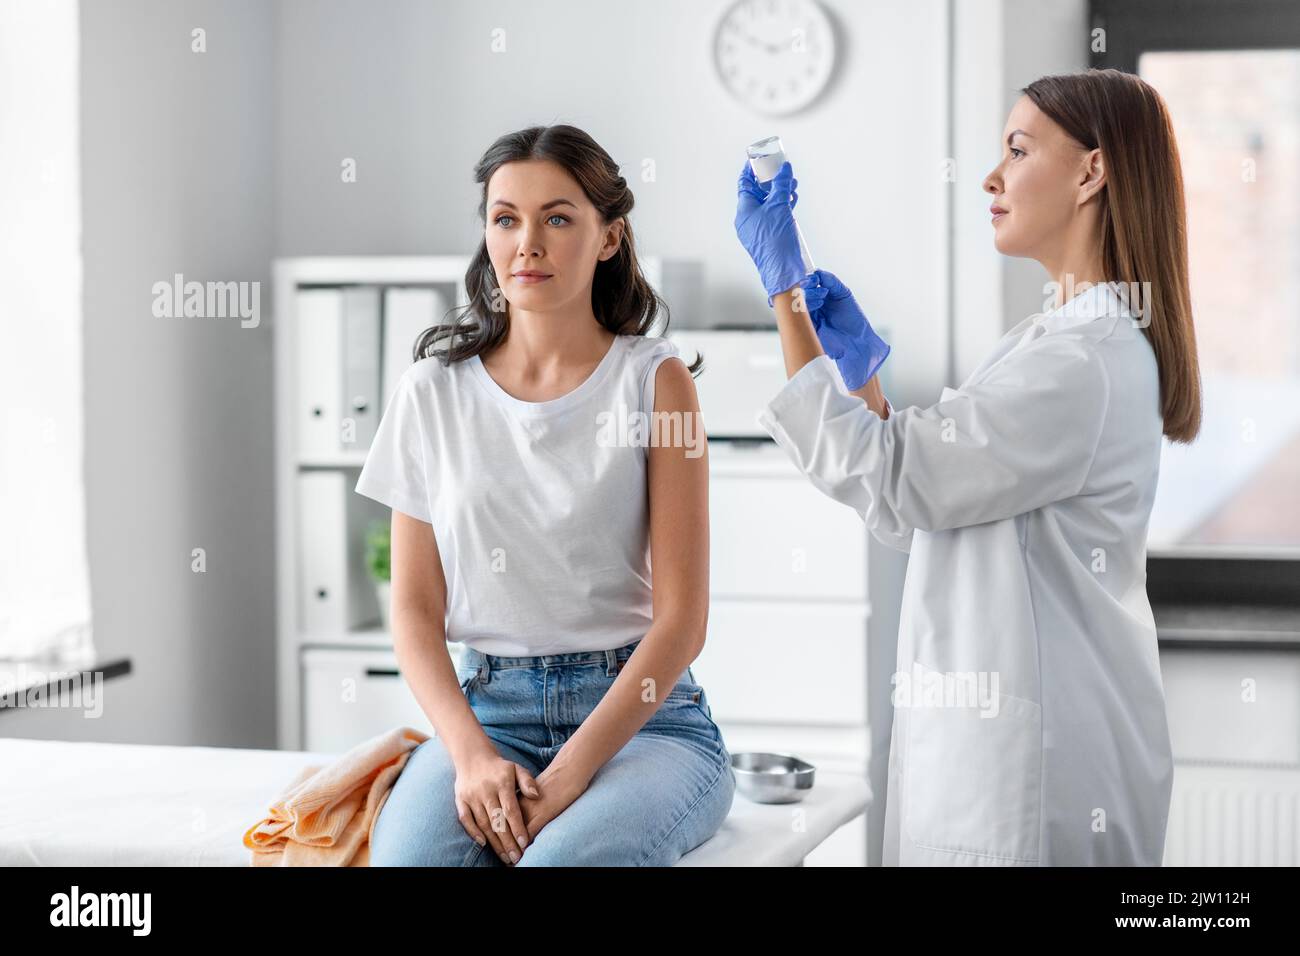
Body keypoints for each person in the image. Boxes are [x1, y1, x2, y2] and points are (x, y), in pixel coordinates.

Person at [733, 68, 1202, 865]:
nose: (991, 177)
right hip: (1012, 743)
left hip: (1041, 776)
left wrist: (787, 297)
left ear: (1092, 172)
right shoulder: (1053, 340)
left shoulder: (1081, 359)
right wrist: (863, 381)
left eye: (1018, 151)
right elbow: (925, 506)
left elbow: (897, 478)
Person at [356, 124, 733, 866]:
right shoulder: (431, 392)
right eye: (506, 218)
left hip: (644, 721)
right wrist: (469, 756)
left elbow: (683, 620)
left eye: (557, 218)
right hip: (491, 713)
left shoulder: (656, 381)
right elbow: (414, 611)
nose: (526, 242)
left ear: (608, 237)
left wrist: (569, 775)